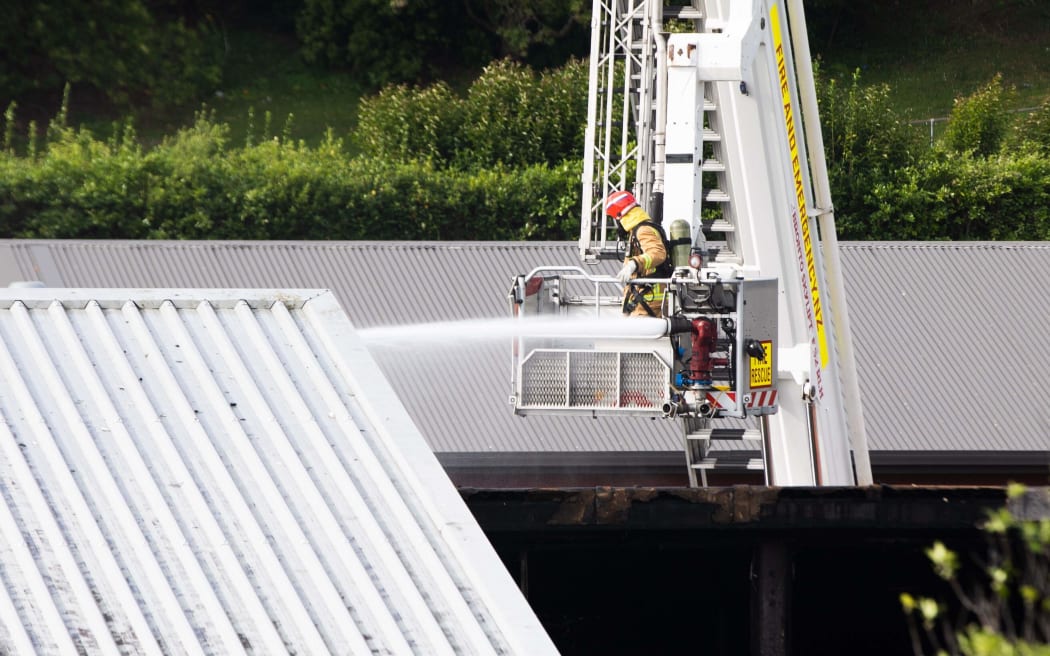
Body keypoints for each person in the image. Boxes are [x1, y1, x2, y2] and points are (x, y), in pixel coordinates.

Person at [604, 190, 669, 317]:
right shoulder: (636, 231)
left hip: (649, 301)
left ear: (621, 216)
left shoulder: (643, 230)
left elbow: (658, 253)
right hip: (643, 299)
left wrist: (633, 264)